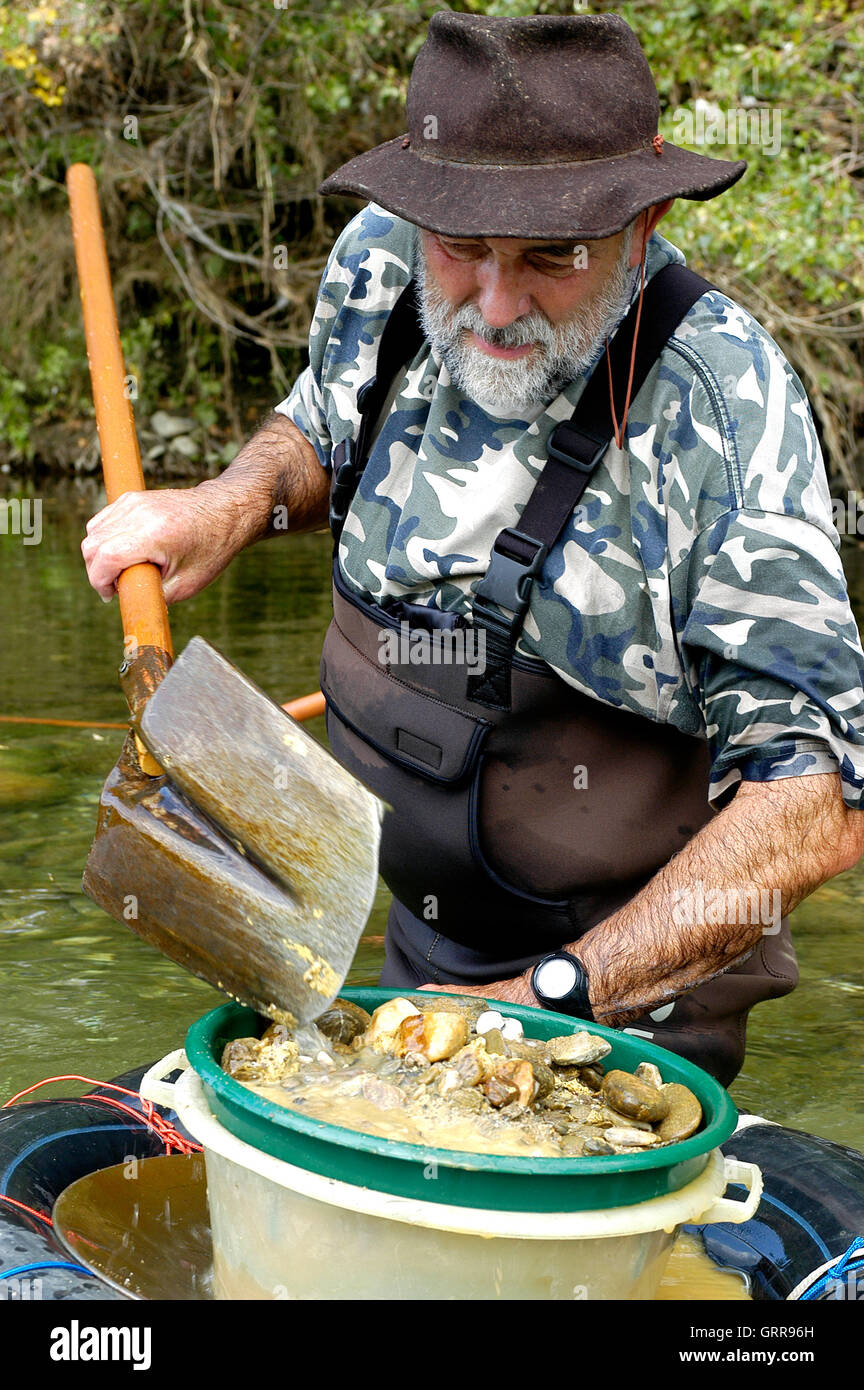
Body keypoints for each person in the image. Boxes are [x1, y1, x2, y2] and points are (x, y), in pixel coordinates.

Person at [82, 12, 864, 1084]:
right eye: (462, 249)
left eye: (551, 256)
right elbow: (324, 424)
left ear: (644, 225)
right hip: (416, 957)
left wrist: (537, 1002)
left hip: (621, 1016)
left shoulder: (727, 412)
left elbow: (812, 807)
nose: (496, 307)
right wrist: (225, 506)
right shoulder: (383, 261)